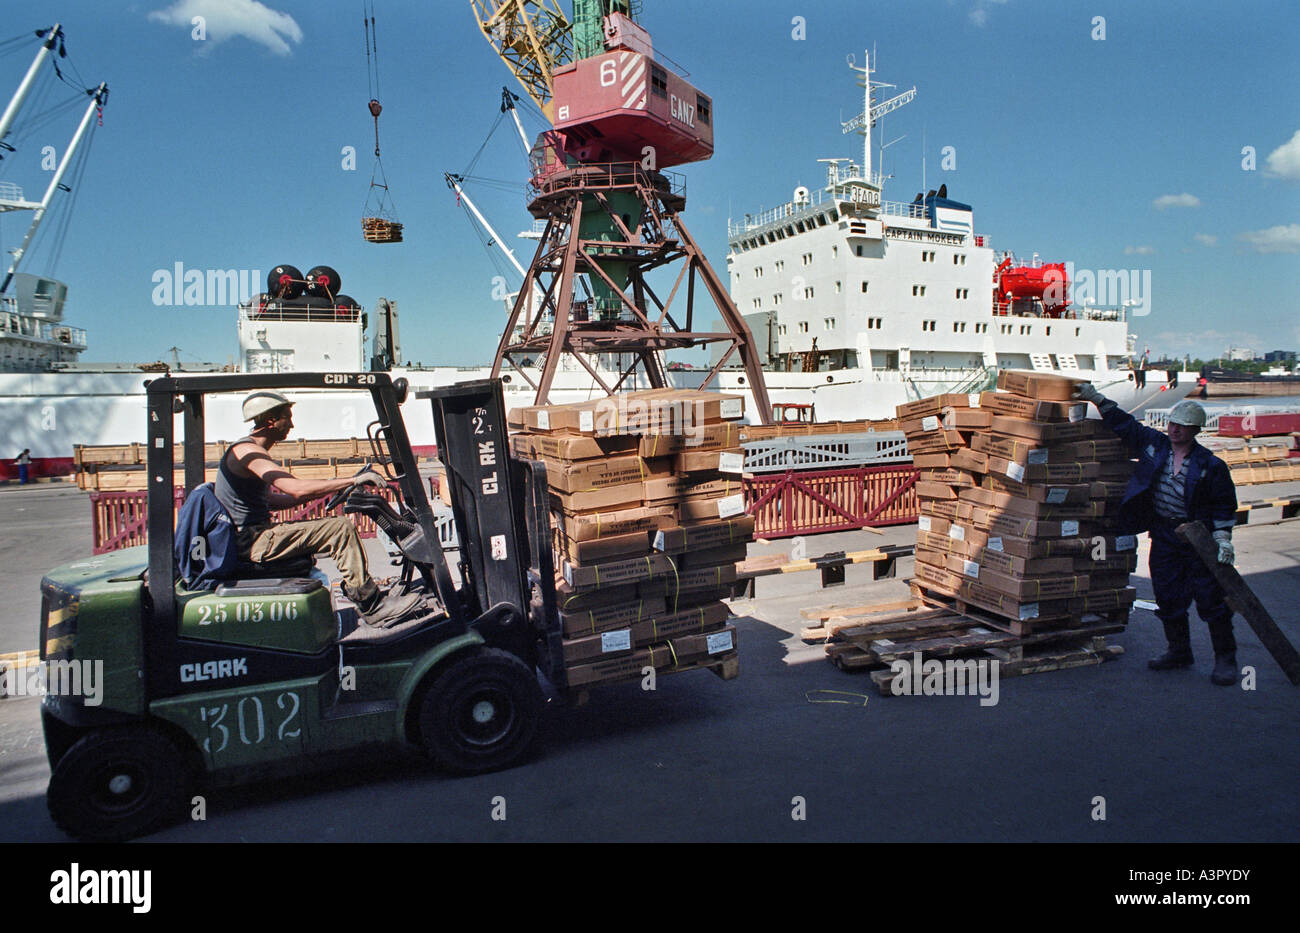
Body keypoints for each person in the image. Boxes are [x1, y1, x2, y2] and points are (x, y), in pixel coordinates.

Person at [215, 391, 424, 627]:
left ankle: (368, 598)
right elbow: (294, 488)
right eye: (287, 417)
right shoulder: (248, 451)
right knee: (340, 528)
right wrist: (351, 481)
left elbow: (275, 501)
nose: (291, 424)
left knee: (331, 526)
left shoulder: (249, 451)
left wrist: (330, 489)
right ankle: (372, 605)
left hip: (253, 536)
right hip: (252, 540)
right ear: (270, 420)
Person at [1077, 386, 1239, 685]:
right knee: (1167, 596)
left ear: (1195, 430)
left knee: (1211, 601)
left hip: (1198, 539)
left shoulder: (1211, 465)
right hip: (1165, 534)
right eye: (1172, 424)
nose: (1175, 430)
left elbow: (1224, 503)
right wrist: (1098, 399)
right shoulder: (1155, 446)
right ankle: (1179, 651)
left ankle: (1226, 659)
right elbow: (1126, 425)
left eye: (1182, 427)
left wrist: (1223, 537)